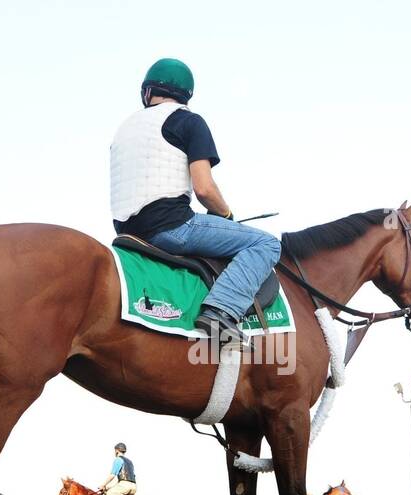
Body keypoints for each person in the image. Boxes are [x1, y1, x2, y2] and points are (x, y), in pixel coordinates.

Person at [109, 58, 282, 343]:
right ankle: (220, 311)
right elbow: (204, 189)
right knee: (266, 243)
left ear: (147, 93)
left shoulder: (125, 129)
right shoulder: (189, 121)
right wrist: (225, 215)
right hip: (172, 228)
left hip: (128, 232)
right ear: (186, 95)